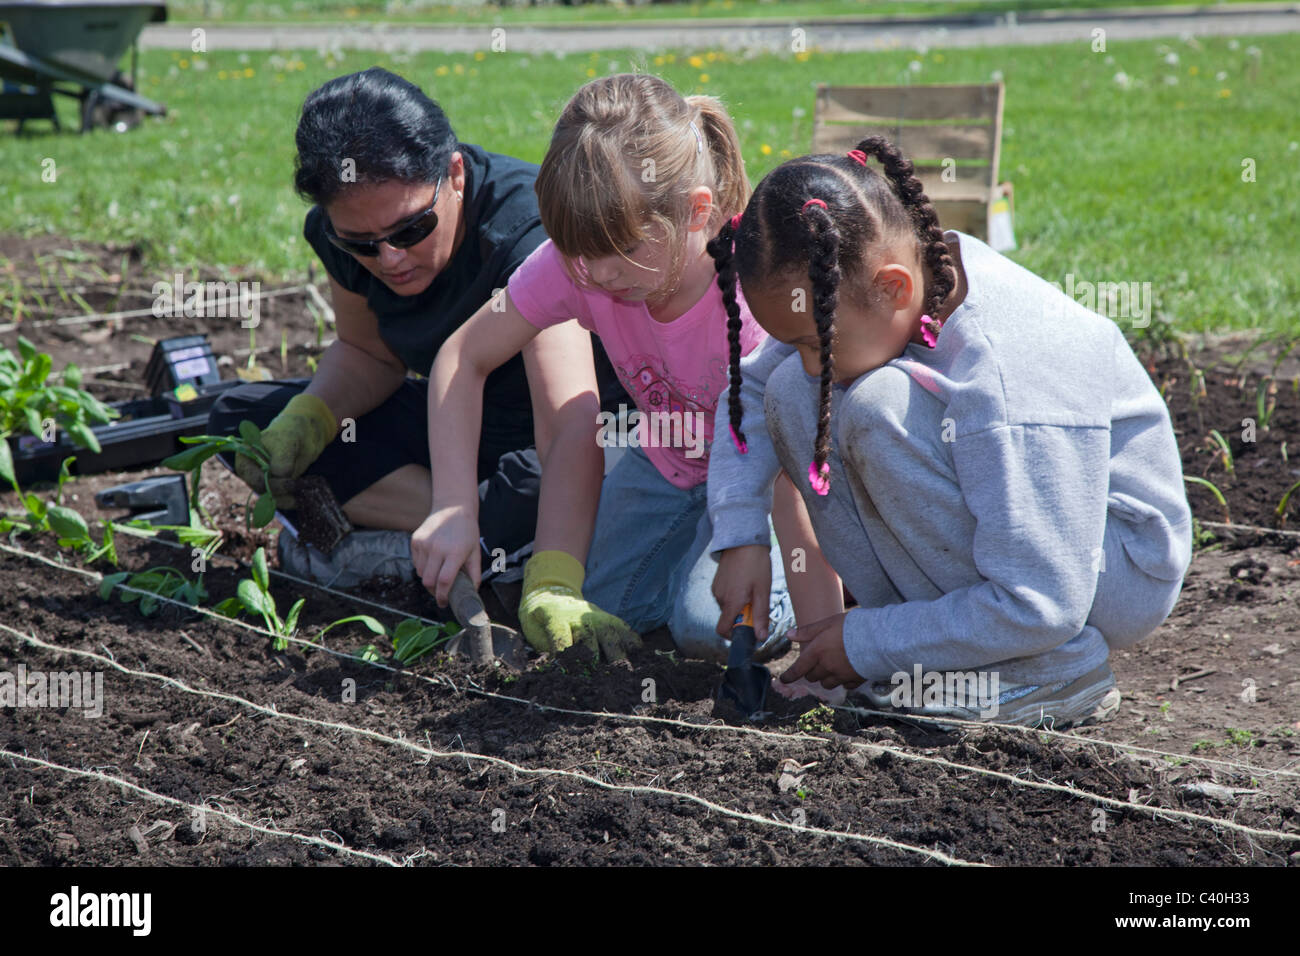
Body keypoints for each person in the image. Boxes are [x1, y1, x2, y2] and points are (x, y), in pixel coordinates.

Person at [705, 136, 1192, 727]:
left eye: (816, 343)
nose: (809, 362)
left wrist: (865, 641)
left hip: (1104, 564)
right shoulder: (892, 282)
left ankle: (1048, 672)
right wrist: (740, 536)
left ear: (894, 288)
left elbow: (1044, 600)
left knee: (875, 405)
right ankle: (926, 660)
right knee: (790, 392)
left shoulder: (1008, 367)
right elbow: (753, 391)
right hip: (1033, 550)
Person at [412, 74, 843, 662]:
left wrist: (825, 636)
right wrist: (454, 505)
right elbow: (463, 354)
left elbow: (796, 465)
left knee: (704, 628)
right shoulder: (579, 264)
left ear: (697, 213)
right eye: (576, 254)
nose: (593, 276)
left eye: (618, 251)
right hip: (664, 465)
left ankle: (838, 587)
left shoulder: (755, 290)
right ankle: (694, 562)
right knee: (597, 606)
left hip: (766, 479)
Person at [208, 67, 621, 587]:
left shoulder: (527, 238)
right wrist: (312, 418)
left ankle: (440, 539)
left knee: (549, 491)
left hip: (545, 446)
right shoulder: (339, 238)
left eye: (411, 228)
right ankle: (465, 534)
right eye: (360, 243)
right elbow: (370, 354)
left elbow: (567, 429)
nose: (389, 258)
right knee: (238, 419)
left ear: (454, 175)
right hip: (447, 433)